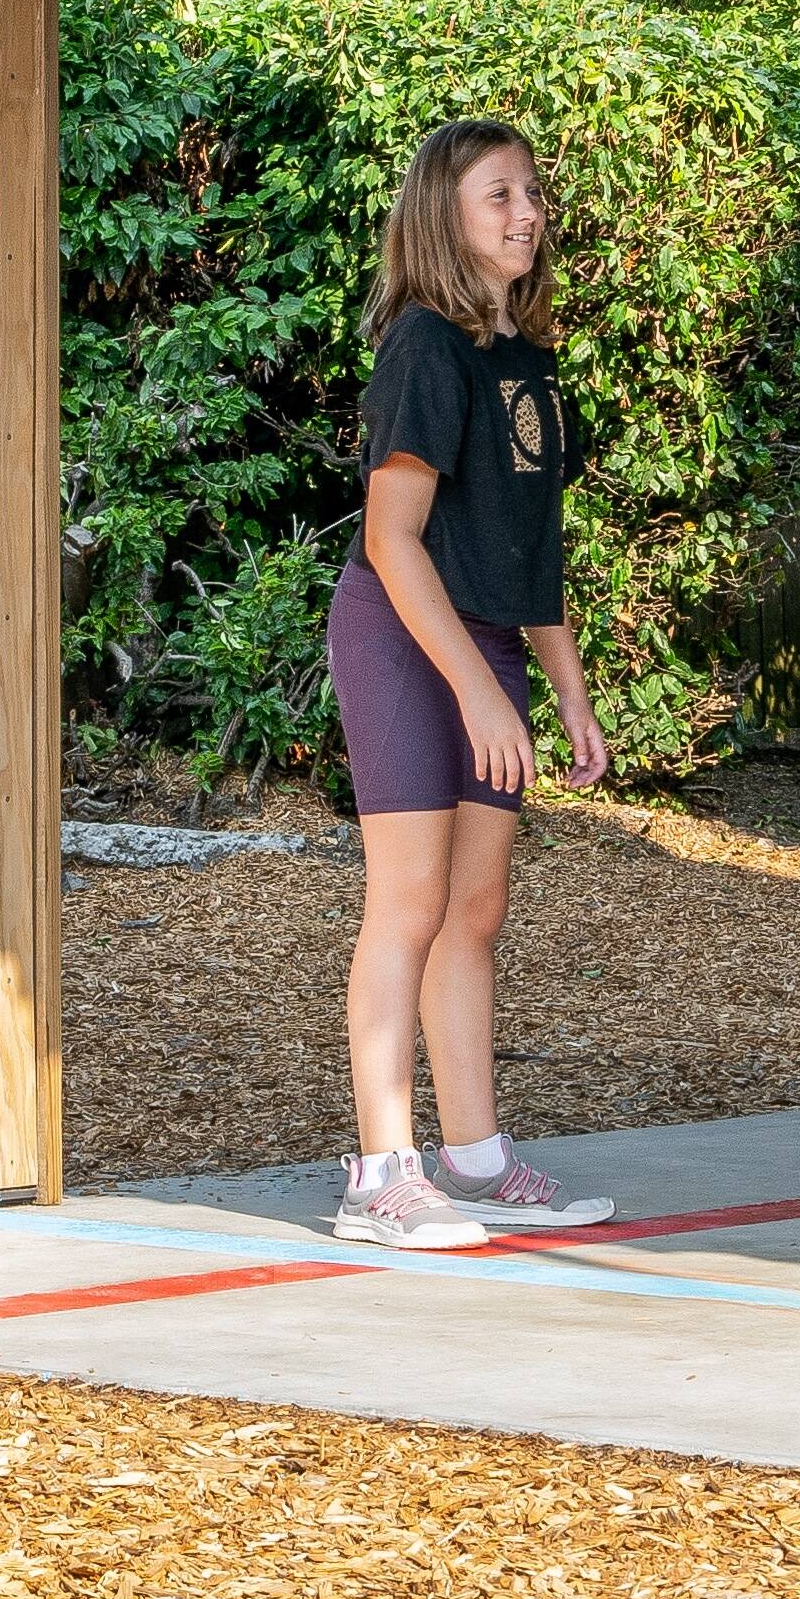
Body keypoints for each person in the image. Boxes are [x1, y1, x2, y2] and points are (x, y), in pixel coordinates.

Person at [325, 110, 616, 1252]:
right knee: (406, 901)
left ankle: (476, 1158)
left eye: (530, 192)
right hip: (403, 637)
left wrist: (567, 692)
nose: (526, 212)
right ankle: (379, 1175)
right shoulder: (423, 350)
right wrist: (480, 691)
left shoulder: (529, 367)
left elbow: (530, 554)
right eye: (498, 194)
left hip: (485, 640)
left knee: (474, 910)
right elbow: (394, 541)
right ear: (442, 216)